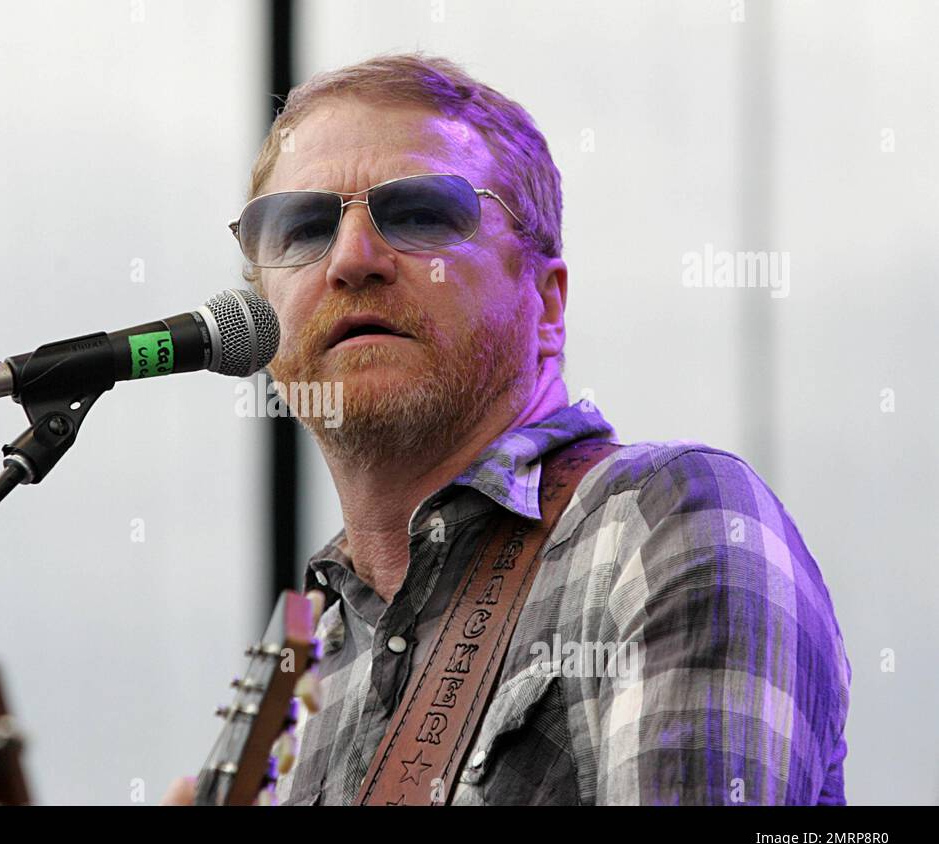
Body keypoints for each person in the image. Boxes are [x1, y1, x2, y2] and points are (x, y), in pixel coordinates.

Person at [164, 51, 850, 806]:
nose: (352, 259)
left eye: (422, 213)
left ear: (547, 303)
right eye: (299, 227)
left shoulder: (661, 520)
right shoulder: (294, 678)